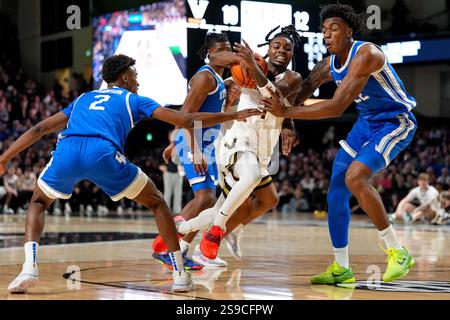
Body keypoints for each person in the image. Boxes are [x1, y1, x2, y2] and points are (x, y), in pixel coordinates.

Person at [0, 54, 260, 293]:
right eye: (135, 75)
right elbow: (187, 120)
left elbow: (39, 130)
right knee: (157, 202)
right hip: (102, 153)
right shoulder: (133, 99)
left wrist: (3, 159)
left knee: (37, 202)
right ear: (124, 77)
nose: (138, 80)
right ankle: (180, 275)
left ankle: (28, 269)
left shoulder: (83, 98)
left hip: (68, 150)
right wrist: (233, 114)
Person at [262, 4, 417, 283]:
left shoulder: (366, 54)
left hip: (395, 122)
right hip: (366, 123)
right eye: (323, 30)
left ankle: (398, 251)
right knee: (336, 189)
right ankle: (342, 268)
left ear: (349, 31)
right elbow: (302, 93)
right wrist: (288, 123)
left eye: (333, 29)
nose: (327, 35)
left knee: (355, 177)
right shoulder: (327, 65)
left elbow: (335, 107)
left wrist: (284, 112)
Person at [175, 25, 302, 261]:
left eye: (287, 48)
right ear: (268, 49)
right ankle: (218, 231)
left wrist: (288, 126)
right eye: (276, 46)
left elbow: (275, 97)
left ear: (293, 54)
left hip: (261, 150)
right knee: (243, 187)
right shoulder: (246, 66)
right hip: (236, 143)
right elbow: (215, 89)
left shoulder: (292, 77)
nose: (281, 51)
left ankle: (183, 232)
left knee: (265, 200)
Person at [152, 32, 235, 269]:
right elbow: (185, 116)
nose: (226, 53)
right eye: (220, 50)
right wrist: (192, 149)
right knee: (205, 198)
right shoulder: (205, 78)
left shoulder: (219, 77)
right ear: (210, 53)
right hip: (194, 141)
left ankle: (180, 250)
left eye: (228, 48)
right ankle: (167, 246)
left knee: (208, 200)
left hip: (202, 141)